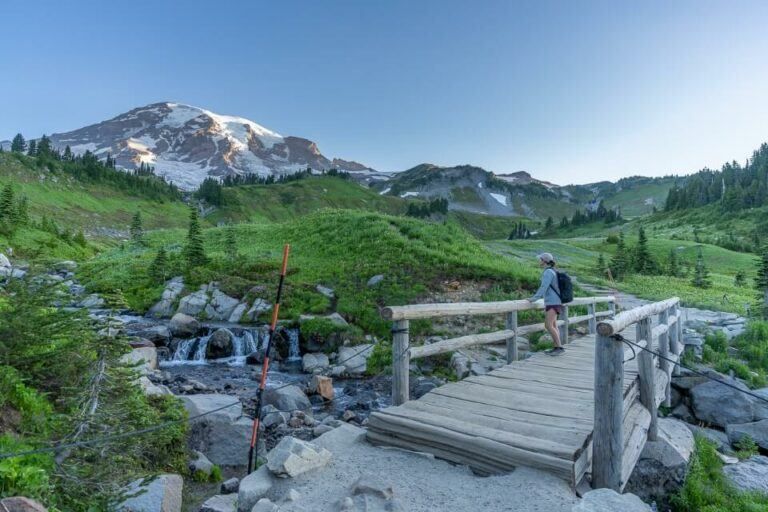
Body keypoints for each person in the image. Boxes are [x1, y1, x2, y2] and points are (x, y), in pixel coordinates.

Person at [527, 252, 564, 356]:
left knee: (548, 325)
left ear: (544, 261)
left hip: (553, 302)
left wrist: (533, 299)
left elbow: (544, 287)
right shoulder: (553, 271)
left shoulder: (548, 272)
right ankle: (557, 347)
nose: (539, 261)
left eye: (540, 259)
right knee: (553, 325)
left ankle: (559, 347)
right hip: (556, 301)